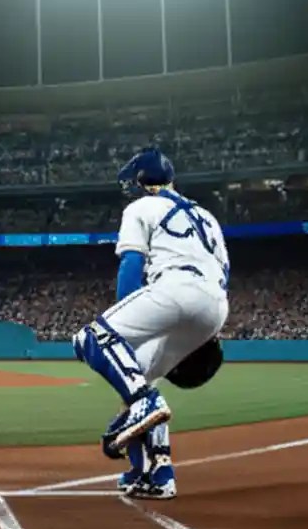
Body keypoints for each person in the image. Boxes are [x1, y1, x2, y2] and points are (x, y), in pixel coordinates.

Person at [72, 148, 230, 500]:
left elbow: (131, 264)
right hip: (216, 307)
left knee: (90, 339)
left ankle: (145, 401)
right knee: (138, 376)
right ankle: (156, 473)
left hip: (175, 290)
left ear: (142, 181)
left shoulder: (141, 207)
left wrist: (123, 319)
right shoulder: (206, 215)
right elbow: (223, 272)